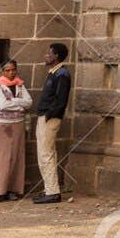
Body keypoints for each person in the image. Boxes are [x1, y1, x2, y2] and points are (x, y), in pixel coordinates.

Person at [0, 60, 32, 201]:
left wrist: (13, 102)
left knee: (15, 158)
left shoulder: (20, 84)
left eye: (13, 70)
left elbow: (29, 102)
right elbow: (2, 104)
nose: (11, 73)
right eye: (7, 70)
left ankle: (11, 189)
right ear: (2, 71)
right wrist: (20, 105)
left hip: (17, 125)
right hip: (1, 126)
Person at [33, 42, 72, 204]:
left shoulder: (62, 74)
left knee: (46, 154)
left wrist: (49, 115)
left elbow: (60, 100)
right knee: (45, 153)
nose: (46, 55)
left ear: (56, 56)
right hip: (45, 116)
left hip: (50, 118)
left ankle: (52, 192)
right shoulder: (55, 72)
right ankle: (49, 189)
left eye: (49, 53)